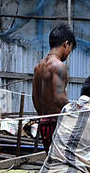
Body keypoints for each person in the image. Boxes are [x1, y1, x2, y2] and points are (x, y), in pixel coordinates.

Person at [32, 24, 76, 152]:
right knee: (62, 165)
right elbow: (59, 98)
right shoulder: (58, 66)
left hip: (44, 122)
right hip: (57, 123)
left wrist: (43, 116)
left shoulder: (39, 66)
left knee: (53, 162)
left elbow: (35, 97)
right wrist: (77, 110)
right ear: (66, 44)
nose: (68, 54)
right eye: (70, 49)